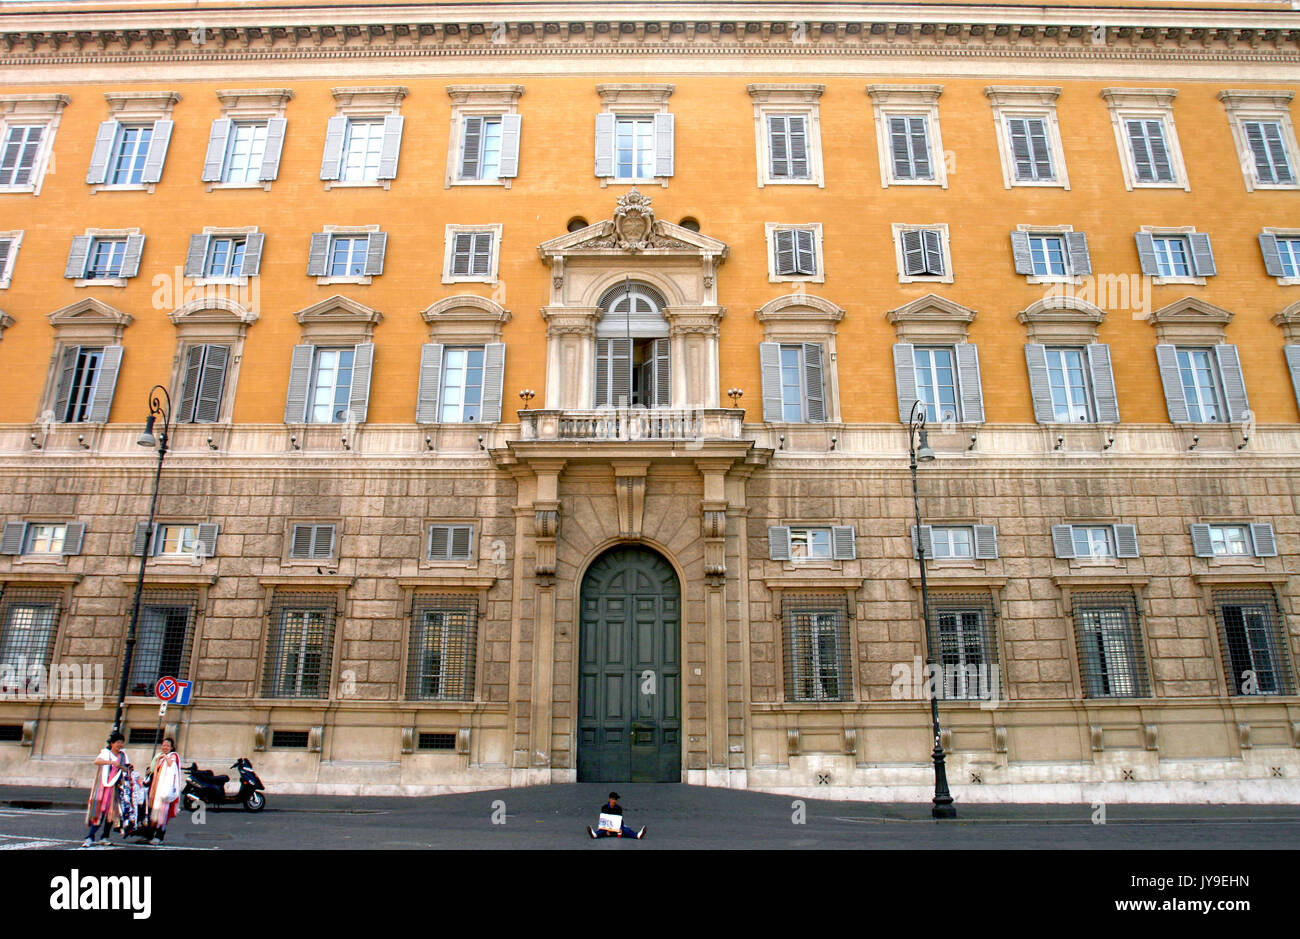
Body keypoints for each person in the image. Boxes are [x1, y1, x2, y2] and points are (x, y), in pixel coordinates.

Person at [83, 732, 128, 847]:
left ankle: (105, 836)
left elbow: (127, 769)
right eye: (117, 742)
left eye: (121, 743)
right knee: (99, 811)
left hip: (115, 788)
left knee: (111, 813)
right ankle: (90, 836)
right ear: (112, 743)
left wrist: (121, 767)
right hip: (102, 788)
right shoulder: (106, 753)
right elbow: (97, 761)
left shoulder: (123, 755)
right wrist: (111, 763)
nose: (119, 745)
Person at [146, 737, 183, 844]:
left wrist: (164, 757)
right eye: (163, 745)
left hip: (165, 790)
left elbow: (171, 764)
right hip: (156, 789)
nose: (165, 747)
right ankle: (150, 835)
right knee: (155, 812)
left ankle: (159, 836)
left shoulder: (173, 756)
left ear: (172, 747)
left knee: (163, 813)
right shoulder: (161, 757)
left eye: (167, 746)